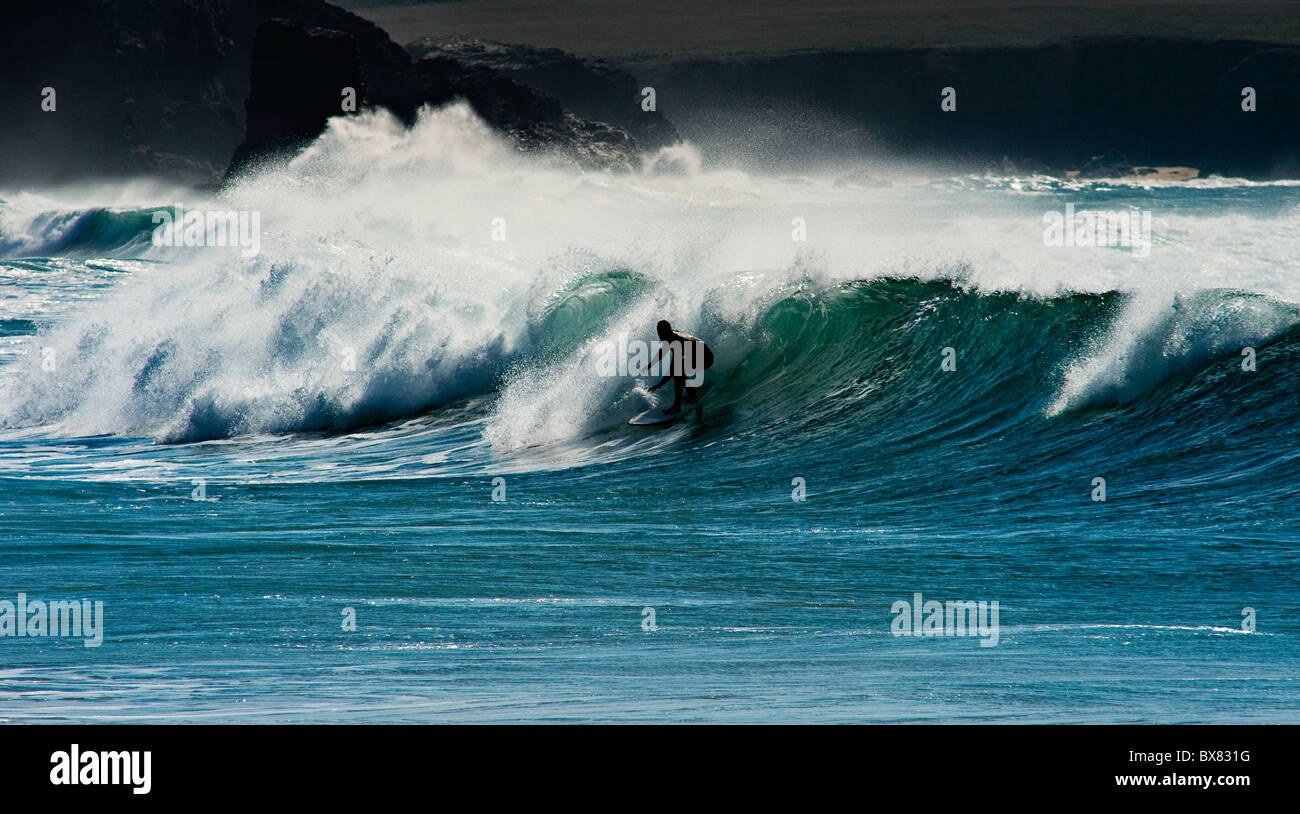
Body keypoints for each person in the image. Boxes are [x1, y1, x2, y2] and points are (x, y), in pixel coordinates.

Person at [641, 319, 714, 414]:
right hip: (703, 354)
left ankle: (677, 406)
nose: (659, 336)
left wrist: (660, 384)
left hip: (706, 358)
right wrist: (650, 365)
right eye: (658, 332)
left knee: (678, 372)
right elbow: (663, 350)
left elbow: (674, 368)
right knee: (680, 368)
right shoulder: (671, 335)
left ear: (666, 332)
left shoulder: (675, 341)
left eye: (661, 333)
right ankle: (692, 395)